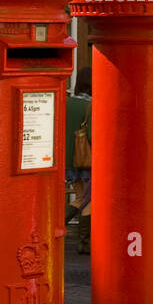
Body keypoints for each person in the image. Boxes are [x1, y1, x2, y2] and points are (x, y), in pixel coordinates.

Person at [65, 65, 92, 254]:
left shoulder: (66, 103)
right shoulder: (92, 105)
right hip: (87, 159)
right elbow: (91, 135)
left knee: (82, 196)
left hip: (68, 160)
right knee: (88, 199)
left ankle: (58, 225)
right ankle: (84, 241)